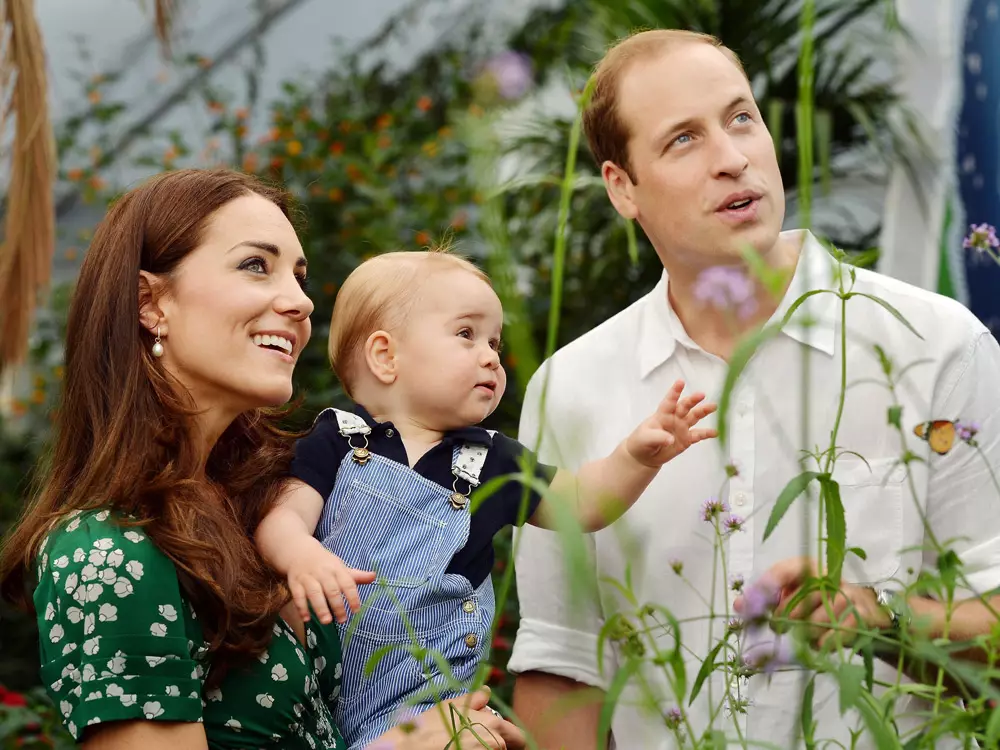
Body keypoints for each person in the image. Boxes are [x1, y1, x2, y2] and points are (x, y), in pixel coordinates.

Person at [506, 29, 1000, 749]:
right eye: (684, 140)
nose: (733, 158)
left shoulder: (934, 345)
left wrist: (882, 623)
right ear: (622, 188)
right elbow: (563, 668)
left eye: (742, 118)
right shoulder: (571, 387)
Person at [0, 168, 525, 750]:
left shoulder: (274, 507)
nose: (300, 302)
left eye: (300, 278)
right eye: (256, 265)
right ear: (151, 303)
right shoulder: (108, 549)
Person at [253, 248, 717, 749]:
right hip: (322, 688)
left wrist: (636, 458)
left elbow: (582, 502)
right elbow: (283, 518)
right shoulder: (339, 440)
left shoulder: (493, 459)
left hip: (431, 702)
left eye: (494, 341)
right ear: (386, 356)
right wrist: (301, 554)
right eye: (466, 334)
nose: (491, 355)